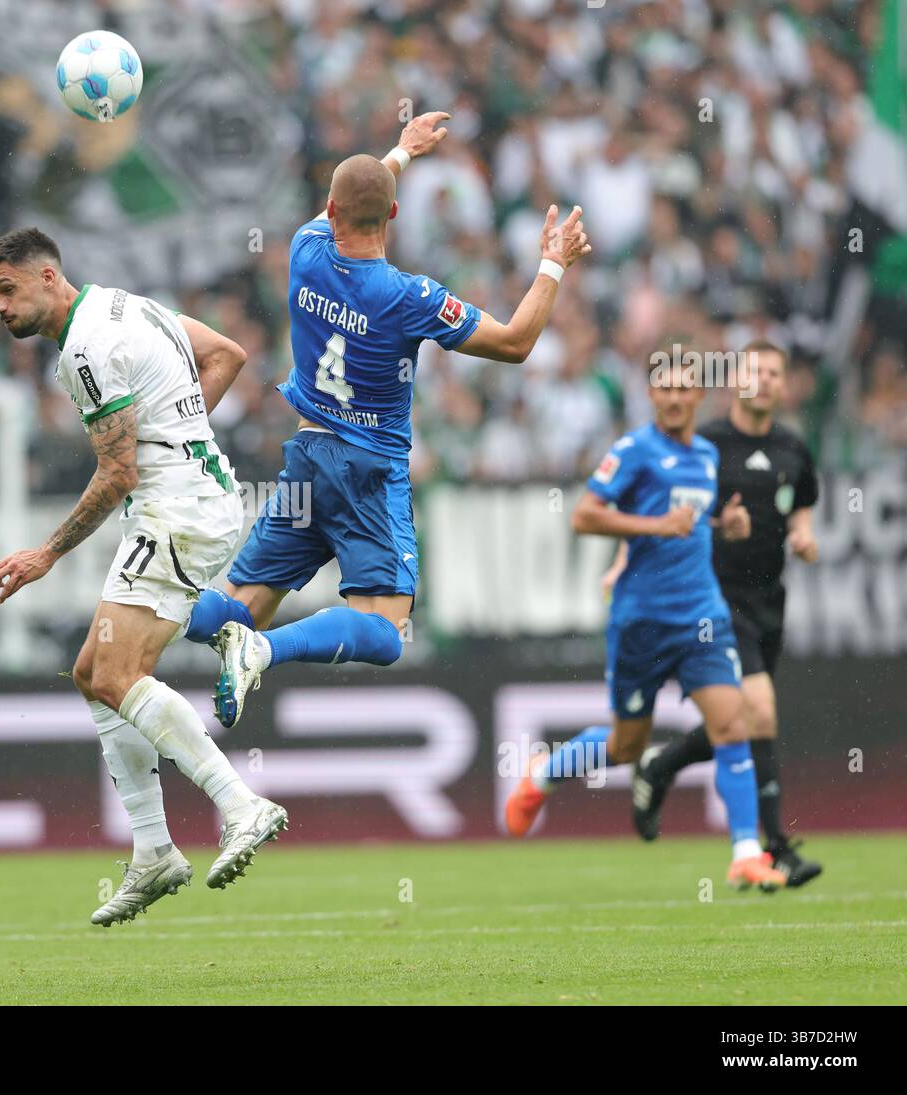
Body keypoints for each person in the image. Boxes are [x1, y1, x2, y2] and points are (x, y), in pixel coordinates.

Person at [179, 111, 592, 728]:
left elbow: (356, 196)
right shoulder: (410, 296)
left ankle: (149, 607)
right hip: (367, 468)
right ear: (395, 216)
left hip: (307, 457)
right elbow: (514, 343)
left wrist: (400, 152)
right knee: (385, 630)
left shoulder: (304, 250)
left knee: (236, 608)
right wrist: (553, 264)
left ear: (331, 209)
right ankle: (263, 652)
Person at [0, 229, 287, 926]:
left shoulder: (86, 348)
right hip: (191, 499)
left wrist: (46, 553)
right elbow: (226, 354)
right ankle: (154, 850)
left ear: (48, 276)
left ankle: (241, 804)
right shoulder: (128, 305)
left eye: (7, 289)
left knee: (118, 675)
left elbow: (117, 472)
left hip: (175, 513)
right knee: (94, 672)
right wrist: (179, 436)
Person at [504, 346, 787, 891]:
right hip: (642, 624)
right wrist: (655, 528)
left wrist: (722, 524)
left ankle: (747, 853)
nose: (676, 397)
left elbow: (693, 521)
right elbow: (584, 516)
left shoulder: (706, 454)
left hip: (702, 618)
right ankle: (542, 774)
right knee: (627, 745)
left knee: (734, 724)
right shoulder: (634, 450)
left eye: (686, 388)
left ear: (699, 395)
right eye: (666, 388)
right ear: (652, 395)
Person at [626, 340, 822, 885]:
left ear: (784, 385)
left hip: (768, 604)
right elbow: (659, 505)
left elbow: (802, 501)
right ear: (734, 380)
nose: (762, 380)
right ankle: (774, 849)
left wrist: (803, 534)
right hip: (712, 598)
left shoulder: (792, 449)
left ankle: (660, 766)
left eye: (774, 372)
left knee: (737, 720)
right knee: (758, 710)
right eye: (753, 370)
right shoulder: (706, 443)